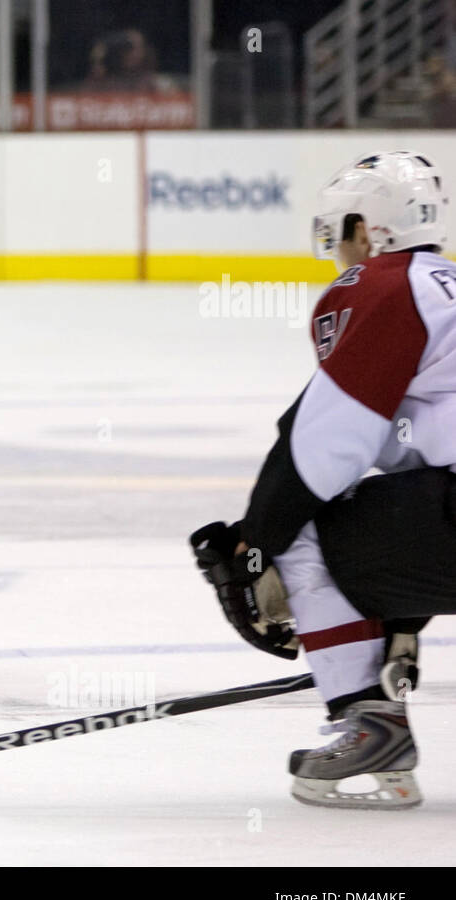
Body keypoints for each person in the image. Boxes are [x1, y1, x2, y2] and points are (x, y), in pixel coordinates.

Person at [192, 150, 452, 810]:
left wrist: (256, 546)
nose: (339, 252)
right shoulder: (443, 288)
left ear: (368, 230)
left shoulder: (386, 287)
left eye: (340, 233)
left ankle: (369, 721)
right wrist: (402, 612)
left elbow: (320, 452)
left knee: (300, 524)